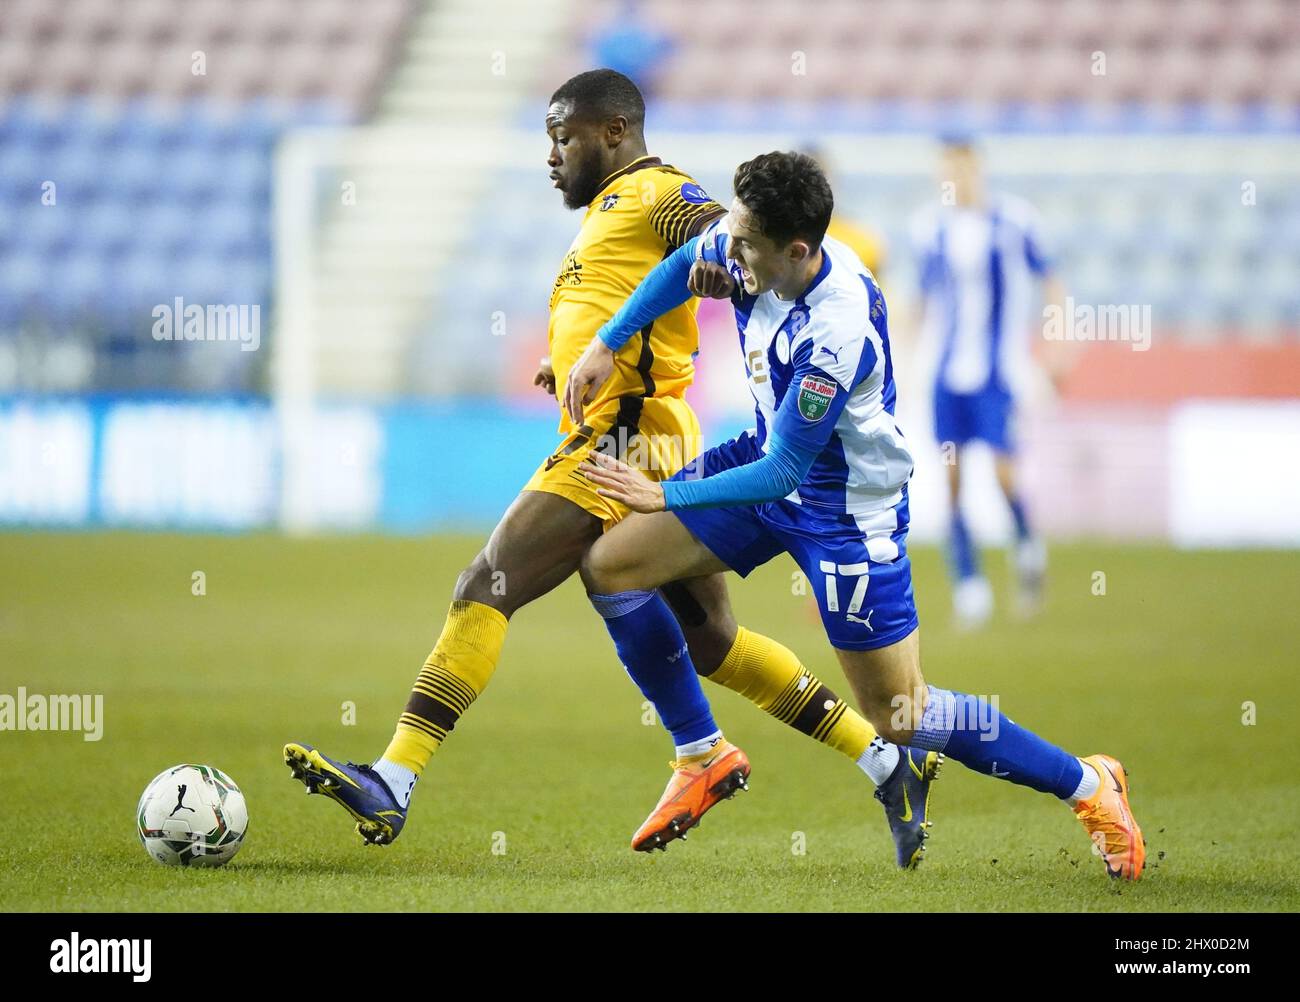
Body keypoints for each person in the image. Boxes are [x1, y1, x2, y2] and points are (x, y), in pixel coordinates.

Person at [283, 70, 937, 866]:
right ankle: (880, 760)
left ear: (616, 132)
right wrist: (571, 361)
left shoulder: (658, 190)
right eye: (549, 140)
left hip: (625, 442)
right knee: (714, 644)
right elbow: (625, 305)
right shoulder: (603, 214)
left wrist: (723, 268)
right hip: (633, 431)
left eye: (566, 137)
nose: (553, 155)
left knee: (487, 581)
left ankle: (395, 776)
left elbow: (712, 229)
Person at [566, 150, 1144, 880]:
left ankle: (1089, 784)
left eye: (745, 245)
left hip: (843, 511)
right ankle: (700, 753)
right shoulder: (755, 245)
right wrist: (606, 343)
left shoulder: (835, 333)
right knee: (612, 565)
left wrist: (664, 495)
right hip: (764, 457)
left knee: (903, 714)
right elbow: (688, 263)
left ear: (798, 251)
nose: (730, 252)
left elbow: (786, 470)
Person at [911, 136, 1067, 627]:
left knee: (1002, 474)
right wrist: (901, 356)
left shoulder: (1015, 221)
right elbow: (919, 301)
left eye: (961, 170)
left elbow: (1052, 282)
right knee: (952, 480)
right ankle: (970, 585)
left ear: (978, 171)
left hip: (997, 373)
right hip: (945, 373)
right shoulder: (930, 228)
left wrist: (1057, 343)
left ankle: (1026, 545)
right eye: (946, 171)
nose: (953, 180)